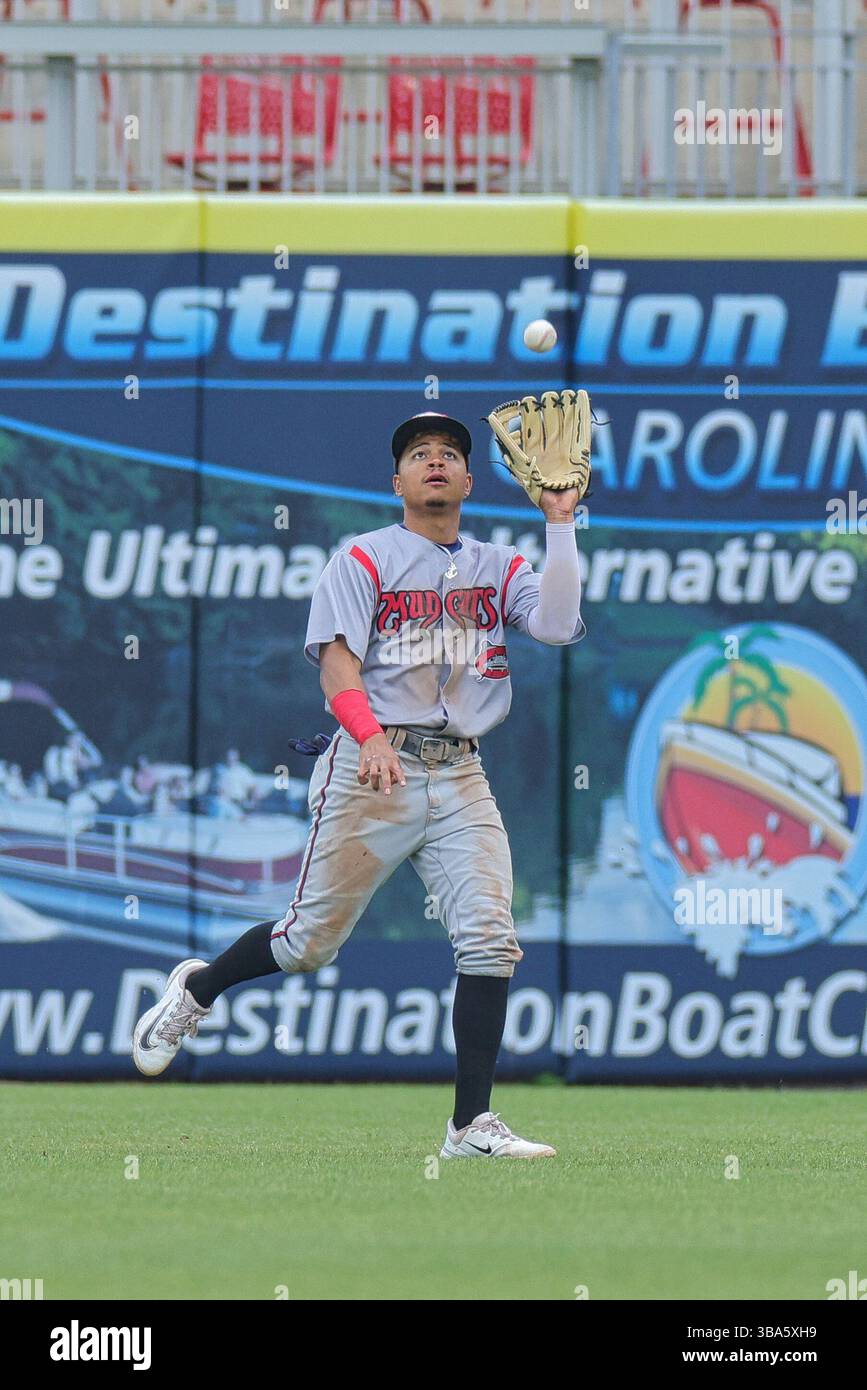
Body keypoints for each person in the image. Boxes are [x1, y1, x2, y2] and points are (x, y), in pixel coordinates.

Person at [133, 410, 586, 1160]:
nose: (434, 461)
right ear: (398, 481)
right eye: (419, 454)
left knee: (489, 940)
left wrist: (560, 523)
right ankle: (198, 989)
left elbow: (559, 626)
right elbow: (337, 664)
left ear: (470, 480)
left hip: (461, 771)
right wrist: (369, 734)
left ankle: (469, 1127)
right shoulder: (364, 559)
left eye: (448, 453)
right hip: (372, 765)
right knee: (308, 943)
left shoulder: (501, 564)